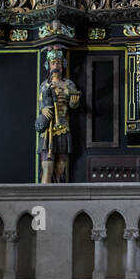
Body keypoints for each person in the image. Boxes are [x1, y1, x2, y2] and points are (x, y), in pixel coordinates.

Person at [36, 49, 81, 183]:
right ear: (49, 65)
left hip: (62, 126)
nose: (56, 66)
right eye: (53, 63)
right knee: (47, 168)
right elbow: (41, 103)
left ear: (63, 65)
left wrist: (74, 102)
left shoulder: (69, 84)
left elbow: (73, 105)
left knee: (60, 168)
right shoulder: (44, 85)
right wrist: (43, 109)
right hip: (48, 129)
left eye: (58, 63)